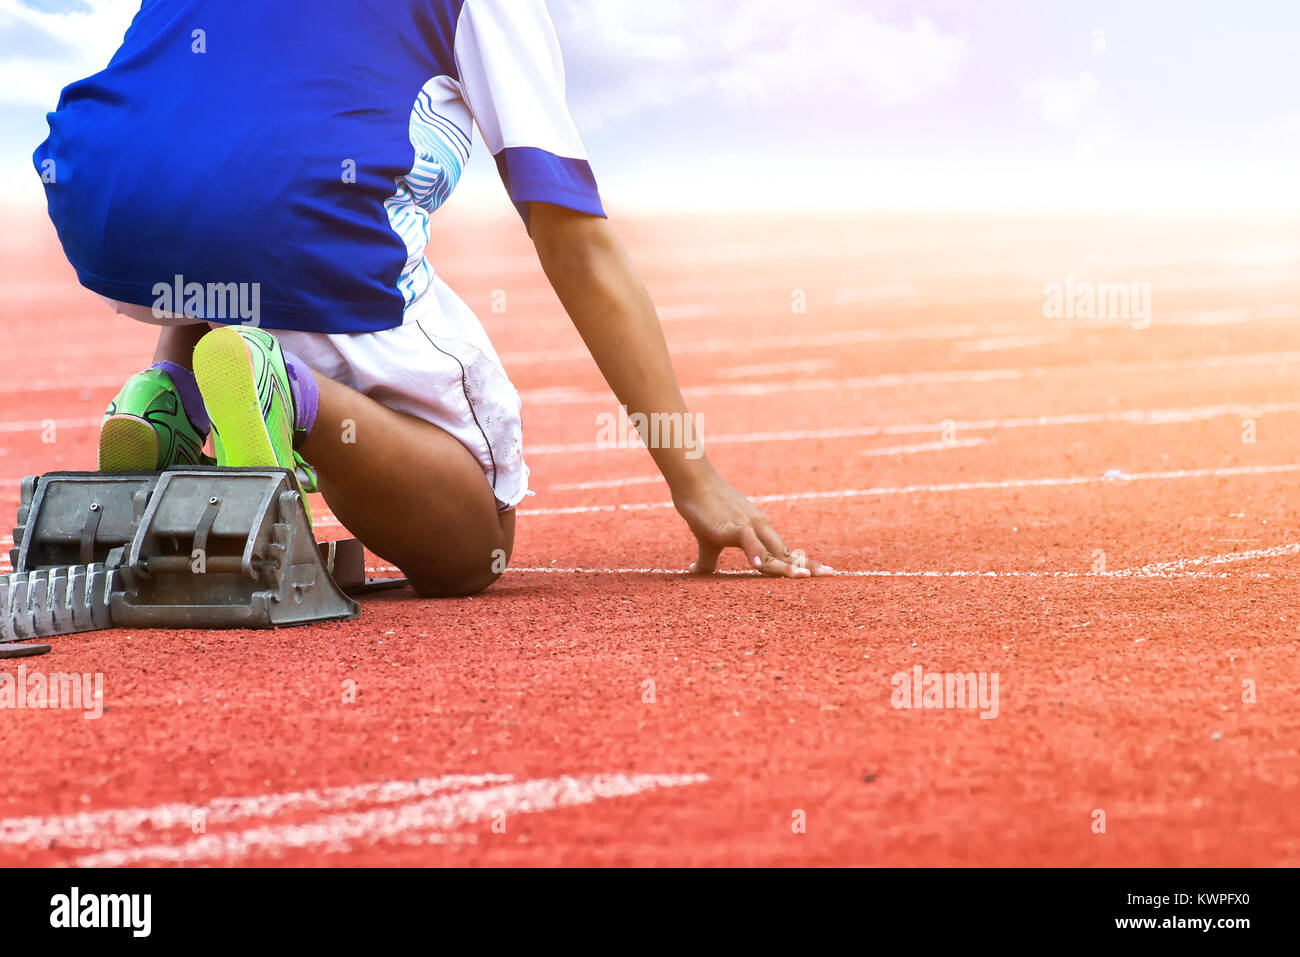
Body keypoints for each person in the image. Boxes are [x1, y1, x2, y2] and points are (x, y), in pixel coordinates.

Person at [35, 0, 832, 596]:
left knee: (215, 183)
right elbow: (573, 239)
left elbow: (194, 112)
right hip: (291, 210)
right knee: (476, 542)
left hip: (101, 185)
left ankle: (169, 399)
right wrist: (693, 476)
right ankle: (292, 392)